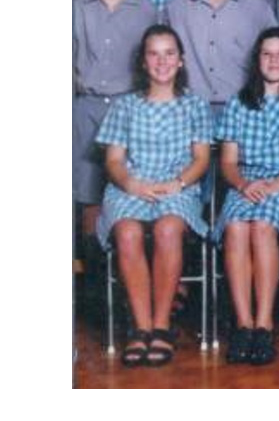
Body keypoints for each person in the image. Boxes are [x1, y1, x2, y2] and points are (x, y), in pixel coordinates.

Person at [95, 25, 212, 367]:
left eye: (169, 53)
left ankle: (162, 326)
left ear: (181, 61)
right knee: (128, 231)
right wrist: (131, 184)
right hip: (132, 185)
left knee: (167, 228)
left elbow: (202, 158)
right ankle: (141, 328)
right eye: (153, 53)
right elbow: (114, 160)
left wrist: (179, 183)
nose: (162, 61)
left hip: (177, 185)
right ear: (143, 62)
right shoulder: (125, 105)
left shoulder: (194, 105)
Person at [215, 28, 279, 366]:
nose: (274, 60)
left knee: (261, 224)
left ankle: (264, 324)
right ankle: (243, 324)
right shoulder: (238, 102)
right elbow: (228, 162)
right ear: (257, 59)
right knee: (235, 226)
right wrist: (244, 184)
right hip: (246, 183)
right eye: (266, 54)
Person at [74, 0, 160, 244]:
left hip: (130, 110)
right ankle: (96, 277)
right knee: (88, 191)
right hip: (88, 108)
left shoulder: (147, 10)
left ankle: (131, 265)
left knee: (134, 189)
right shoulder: (77, 8)